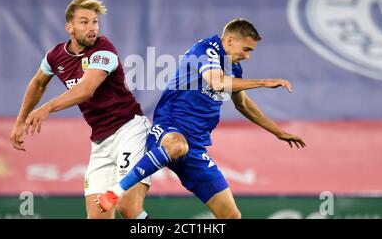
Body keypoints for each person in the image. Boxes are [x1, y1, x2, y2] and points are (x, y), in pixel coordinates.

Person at [95, 18, 306, 218]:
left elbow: (242, 104)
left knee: (231, 215)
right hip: (168, 129)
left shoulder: (233, 67)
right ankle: (114, 191)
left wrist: (279, 132)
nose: (248, 56)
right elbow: (217, 82)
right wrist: (265, 82)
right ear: (230, 41)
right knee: (173, 152)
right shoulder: (204, 50)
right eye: (246, 49)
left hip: (195, 146)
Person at [10, 0, 151, 219]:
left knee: (127, 207)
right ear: (70, 27)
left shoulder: (104, 50)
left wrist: (46, 109)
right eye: (84, 22)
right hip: (100, 142)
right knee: (96, 216)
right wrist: (20, 121)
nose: (92, 27)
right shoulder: (55, 56)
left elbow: (86, 89)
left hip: (129, 131)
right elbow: (37, 83)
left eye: (95, 22)